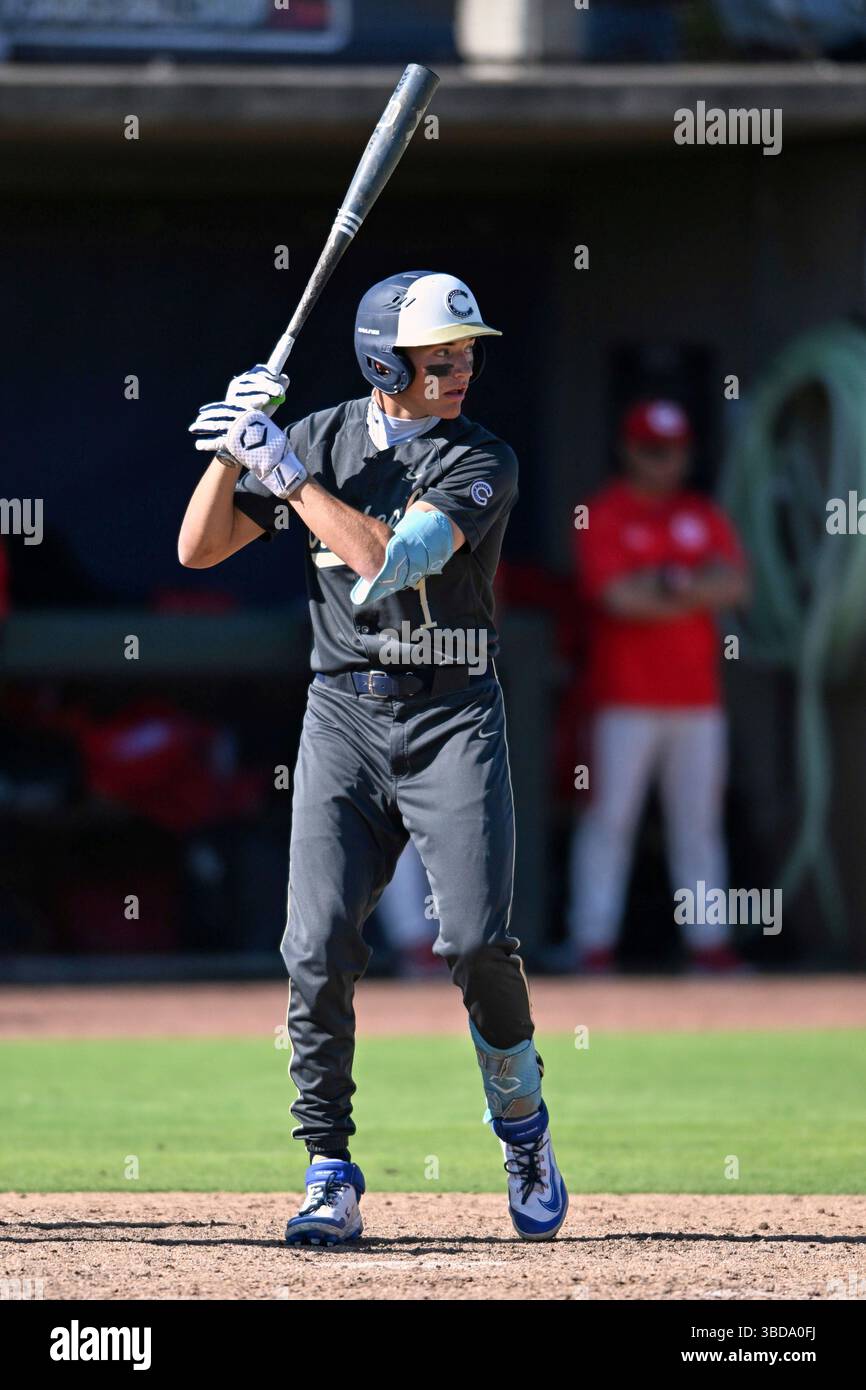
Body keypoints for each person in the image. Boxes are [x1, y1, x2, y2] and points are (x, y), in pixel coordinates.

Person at [179, 271, 568, 1245]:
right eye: (441, 357)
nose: (461, 368)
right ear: (383, 363)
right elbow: (195, 549)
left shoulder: (480, 457)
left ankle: (519, 1125)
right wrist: (238, 452)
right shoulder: (316, 436)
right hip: (342, 717)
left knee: (475, 941)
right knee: (313, 949)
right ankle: (328, 1167)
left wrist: (287, 473)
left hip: (450, 716)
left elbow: (389, 561)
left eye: (467, 352)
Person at [569, 398, 750, 974]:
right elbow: (617, 597)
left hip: (698, 698)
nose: (664, 463)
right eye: (652, 450)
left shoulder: (703, 511)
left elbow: (737, 585)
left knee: (697, 825)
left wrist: (665, 585)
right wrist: (689, 583)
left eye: (673, 451)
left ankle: (708, 944)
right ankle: (592, 944)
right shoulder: (603, 512)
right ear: (628, 449)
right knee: (610, 821)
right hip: (624, 699)